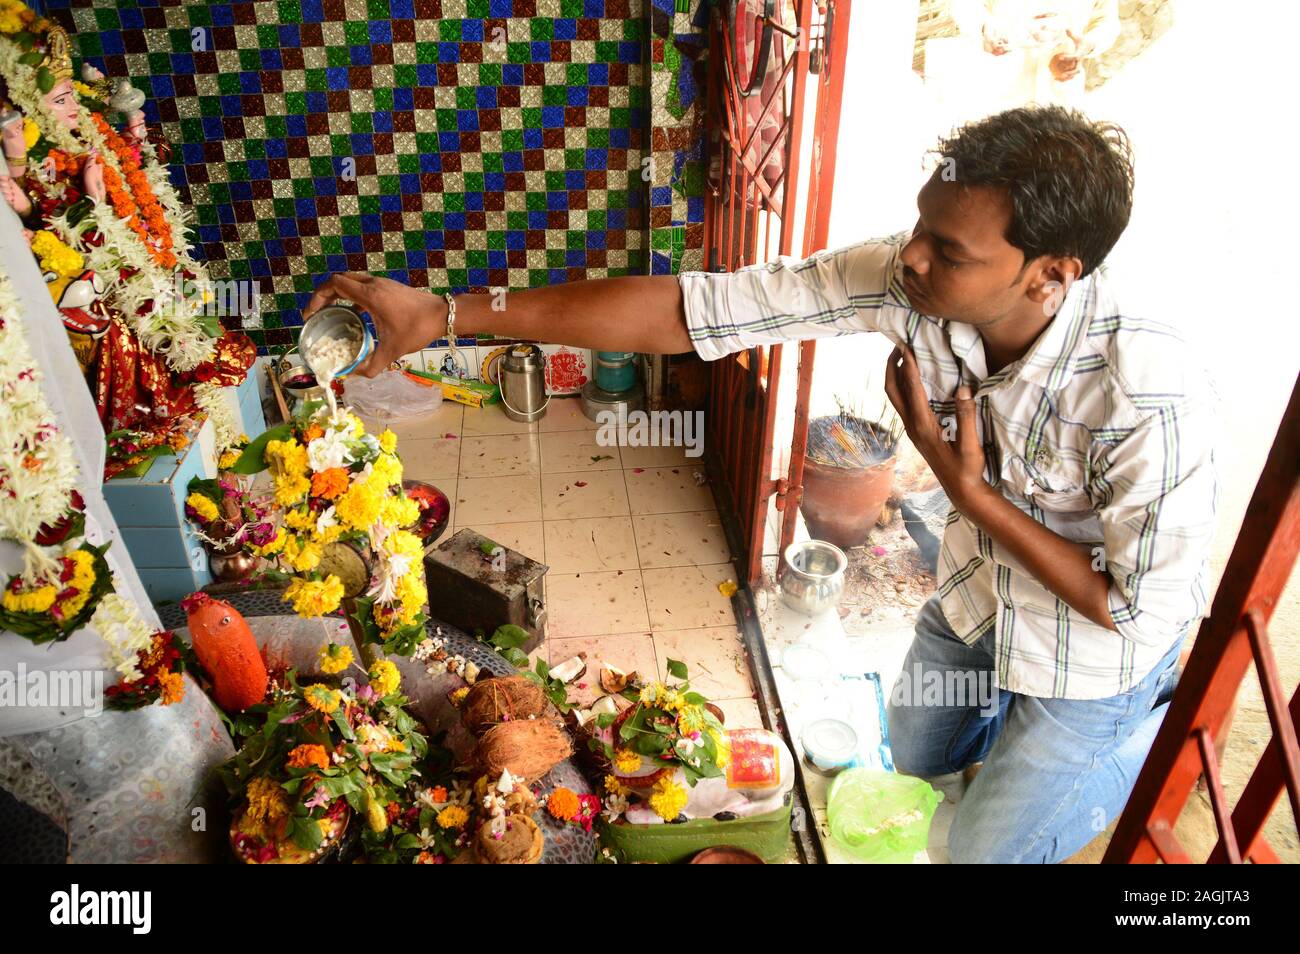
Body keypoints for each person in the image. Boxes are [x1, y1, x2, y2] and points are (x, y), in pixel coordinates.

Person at [305, 105, 1217, 863]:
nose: (912, 261)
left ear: (1054, 274)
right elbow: (696, 310)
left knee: (972, 856)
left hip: (1091, 660)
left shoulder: (1146, 392)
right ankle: (1002, 752)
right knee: (919, 750)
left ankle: (1141, 741)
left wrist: (963, 491)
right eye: (919, 229)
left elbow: (1127, 606)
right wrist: (448, 314)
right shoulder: (912, 279)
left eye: (949, 250)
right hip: (978, 597)